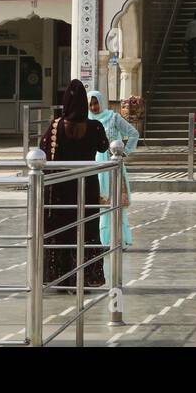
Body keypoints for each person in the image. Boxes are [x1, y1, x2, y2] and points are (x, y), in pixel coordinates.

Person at [40, 80, 110, 288]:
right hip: (86, 185)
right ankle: (84, 277)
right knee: (86, 228)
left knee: (63, 229)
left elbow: (43, 151)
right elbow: (104, 145)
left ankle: (61, 277)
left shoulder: (56, 126)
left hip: (62, 187)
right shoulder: (94, 127)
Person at [89, 90, 139, 249]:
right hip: (95, 166)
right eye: (90, 103)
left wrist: (124, 152)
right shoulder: (86, 120)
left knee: (116, 202)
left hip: (112, 165)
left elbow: (133, 133)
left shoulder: (113, 117)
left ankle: (119, 239)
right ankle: (102, 241)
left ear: (102, 102)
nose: (94, 107)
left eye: (96, 103)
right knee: (98, 204)